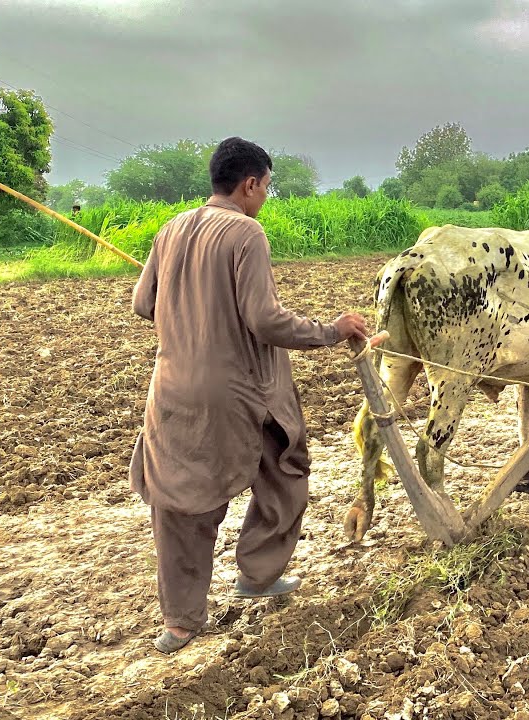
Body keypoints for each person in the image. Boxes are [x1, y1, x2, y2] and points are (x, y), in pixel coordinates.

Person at [129, 136, 372, 654]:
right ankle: (259, 573)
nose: (264, 197)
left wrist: (188, 302)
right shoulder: (246, 233)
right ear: (250, 184)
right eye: (266, 187)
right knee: (285, 464)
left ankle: (180, 621)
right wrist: (330, 330)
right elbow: (264, 320)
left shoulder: (170, 229)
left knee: (180, 503)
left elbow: (142, 303)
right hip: (243, 388)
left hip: (172, 388)